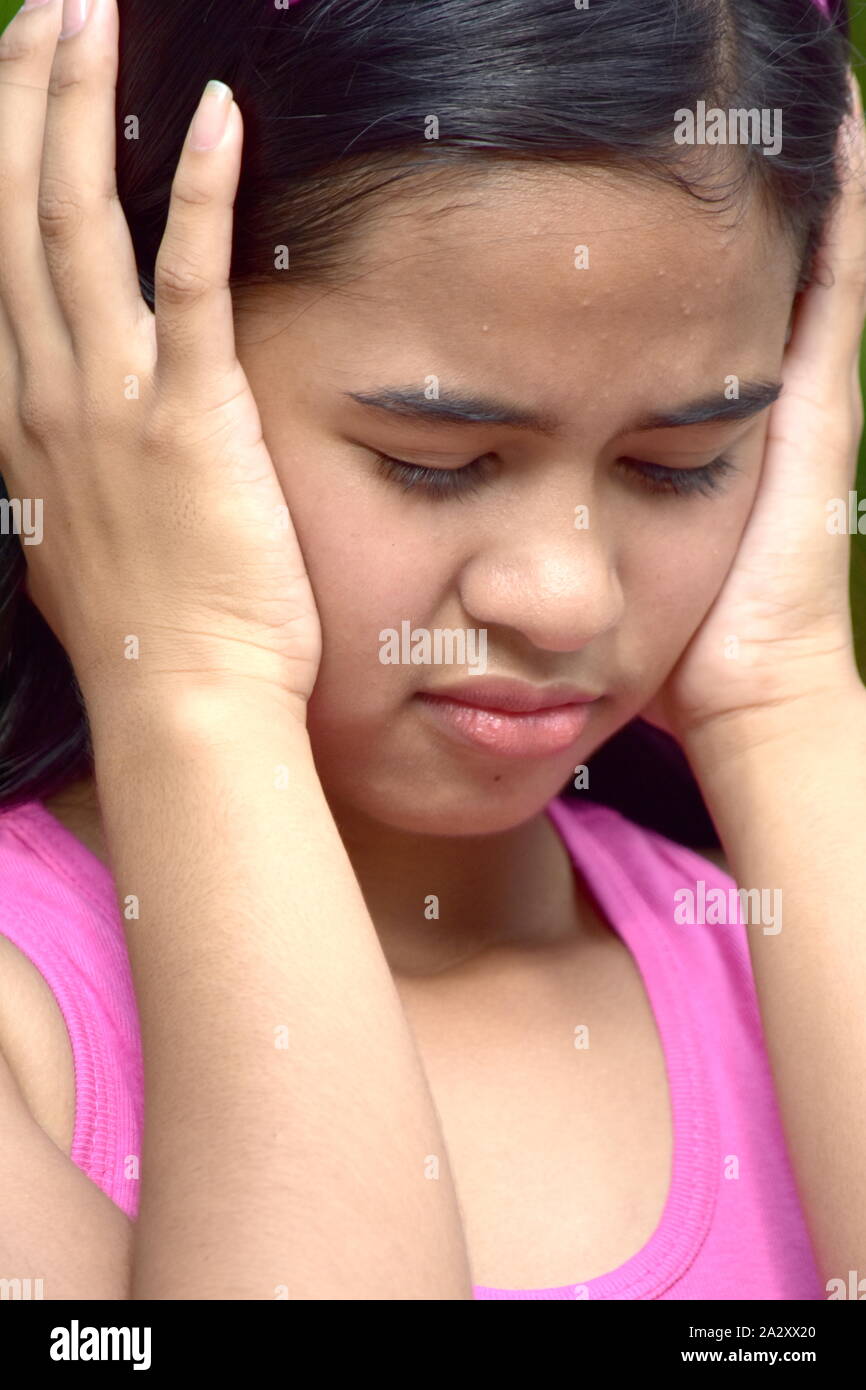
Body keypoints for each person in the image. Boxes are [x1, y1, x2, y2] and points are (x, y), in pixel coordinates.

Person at [0, 0, 863, 1300]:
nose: (563, 596)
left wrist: (784, 698)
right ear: (97, 371)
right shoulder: (31, 1036)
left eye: (677, 465)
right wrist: (196, 688)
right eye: (435, 463)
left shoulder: (784, 968)